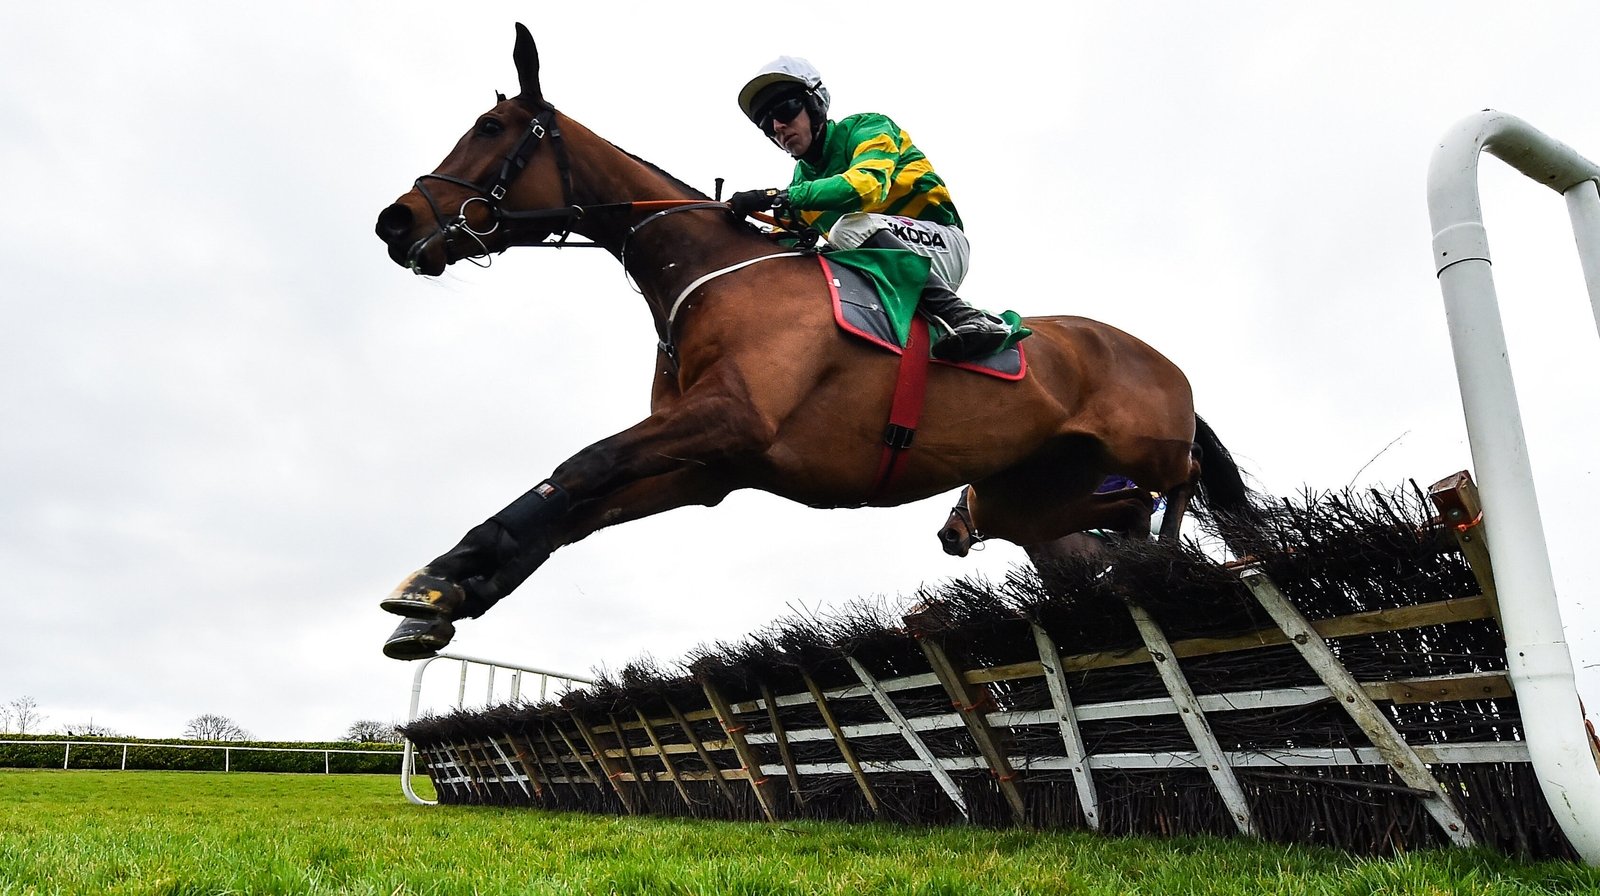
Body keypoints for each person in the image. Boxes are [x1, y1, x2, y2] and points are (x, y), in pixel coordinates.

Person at [730, 56, 1012, 363]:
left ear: (815, 105)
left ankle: (962, 314)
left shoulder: (868, 127)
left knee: (848, 228)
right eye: (766, 124)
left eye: (785, 110)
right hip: (883, 259)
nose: (777, 126)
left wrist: (774, 196)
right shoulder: (801, 183)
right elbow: (779, 242)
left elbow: (865, 185)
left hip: (940, 246)